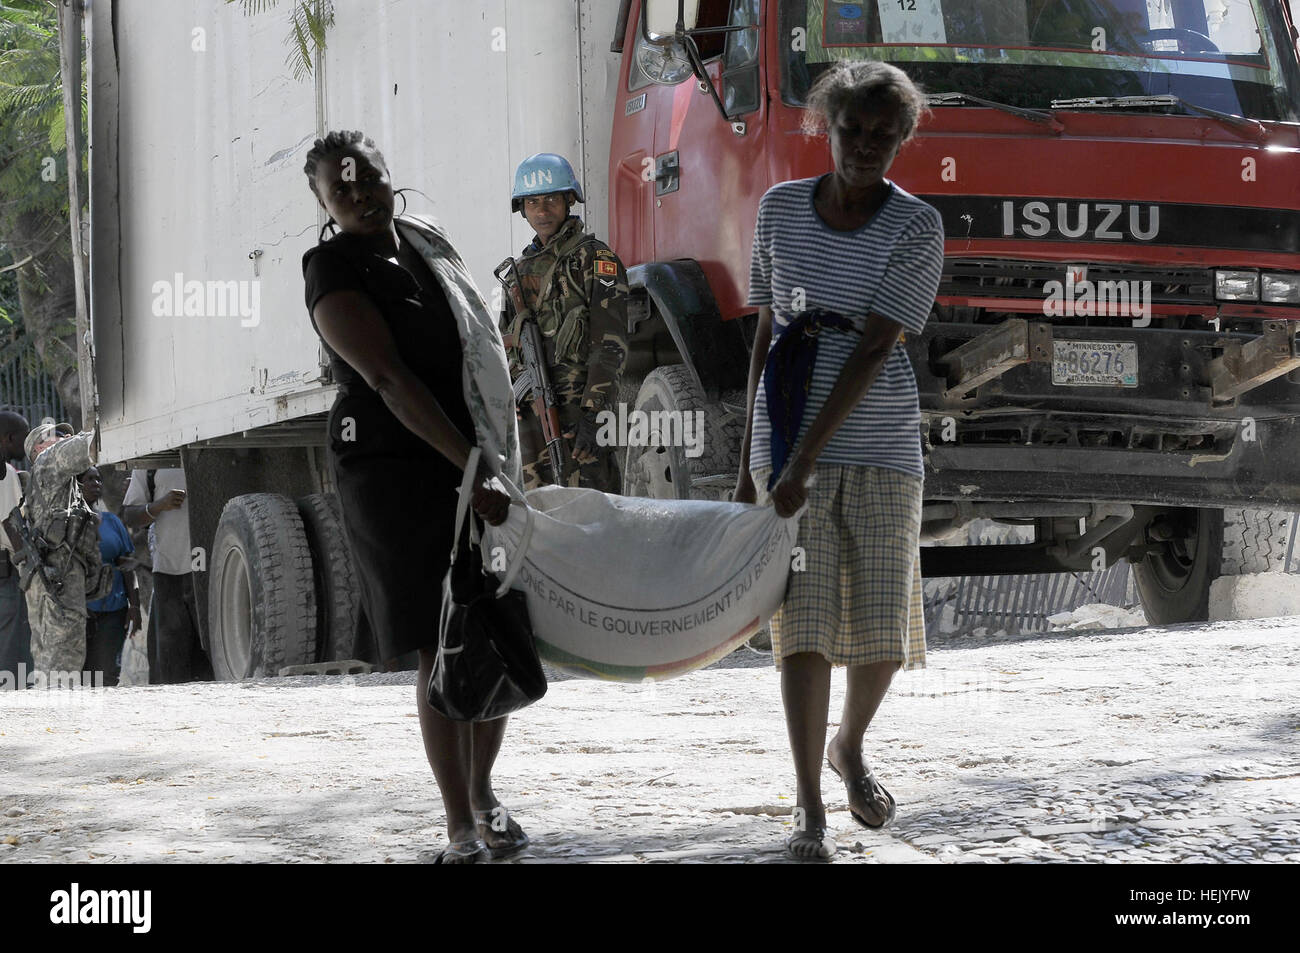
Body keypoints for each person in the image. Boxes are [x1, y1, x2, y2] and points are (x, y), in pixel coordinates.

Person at [733, 61, 945, 860]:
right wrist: (753, 458)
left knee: (883, 632)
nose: (865, 146)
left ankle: (848, 742)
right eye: (851, 130)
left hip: (880, 440)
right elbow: (765, 331)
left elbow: (874, 348)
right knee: (805, 626)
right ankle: (809, 803)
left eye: (883, 135)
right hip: (784, 439)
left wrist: (804, 459)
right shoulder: (780, 208)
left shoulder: (916, 226)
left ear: (903, 138)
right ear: (826, 125)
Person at [301, 130, 524, 864]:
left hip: (471, 455)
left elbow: (478, 346)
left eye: (368, 177)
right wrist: (472, 468)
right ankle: (459, 822)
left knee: (491, 628)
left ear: (390, 175)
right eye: (342, 189)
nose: (359, 192)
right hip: (394, 467)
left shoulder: (427, 242)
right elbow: (390, 380)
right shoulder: (331, 266)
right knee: (442, 635)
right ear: (324, 204)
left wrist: (491, 459)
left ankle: (486, 792)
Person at [499, 153, 629, 491]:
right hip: (530, 416)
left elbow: (610, 343)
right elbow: (505, 345)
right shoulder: (517, 273)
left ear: (569, 199)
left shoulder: (595, 258)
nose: (542, 210)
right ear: (522, 208)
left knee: (592, 509)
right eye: (533, 202)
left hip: (576, 414)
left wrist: (594, 413)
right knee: (541, 515)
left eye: (552, 199)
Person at [19, 424, 112, 681]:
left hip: (48, 578)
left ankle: (50, 713)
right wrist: (81, 435)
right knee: (63, 658)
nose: (64, 438)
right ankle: (58, 716)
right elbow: (91, 443)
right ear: (39, 447)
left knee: (47, 658)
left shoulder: (51, 475)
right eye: (57, 436)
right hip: (59, 580)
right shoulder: (50, 459)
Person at [122, 468, 208, 683]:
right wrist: (159, 505)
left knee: (211, 662)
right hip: (170, 573)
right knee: (171, 667)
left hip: (209, 570)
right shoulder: (152, 461)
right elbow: (130, 515)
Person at [78, 466, 140, 687]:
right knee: (80, 675)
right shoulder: (67, 523)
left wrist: (134, 606)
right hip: (79, 612)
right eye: (89, 479)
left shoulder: (113, 522)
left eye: (98, 479)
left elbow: (127, 565)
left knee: (107, 675)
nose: (96, 484)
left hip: (114, 610)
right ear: (76, 485)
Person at [0, 411, 32, 687]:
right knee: (12, 657)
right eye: (25, 438)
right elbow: (11, 526)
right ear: (8, 439)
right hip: (6, 577)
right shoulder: (6, 474)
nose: (28, 444)